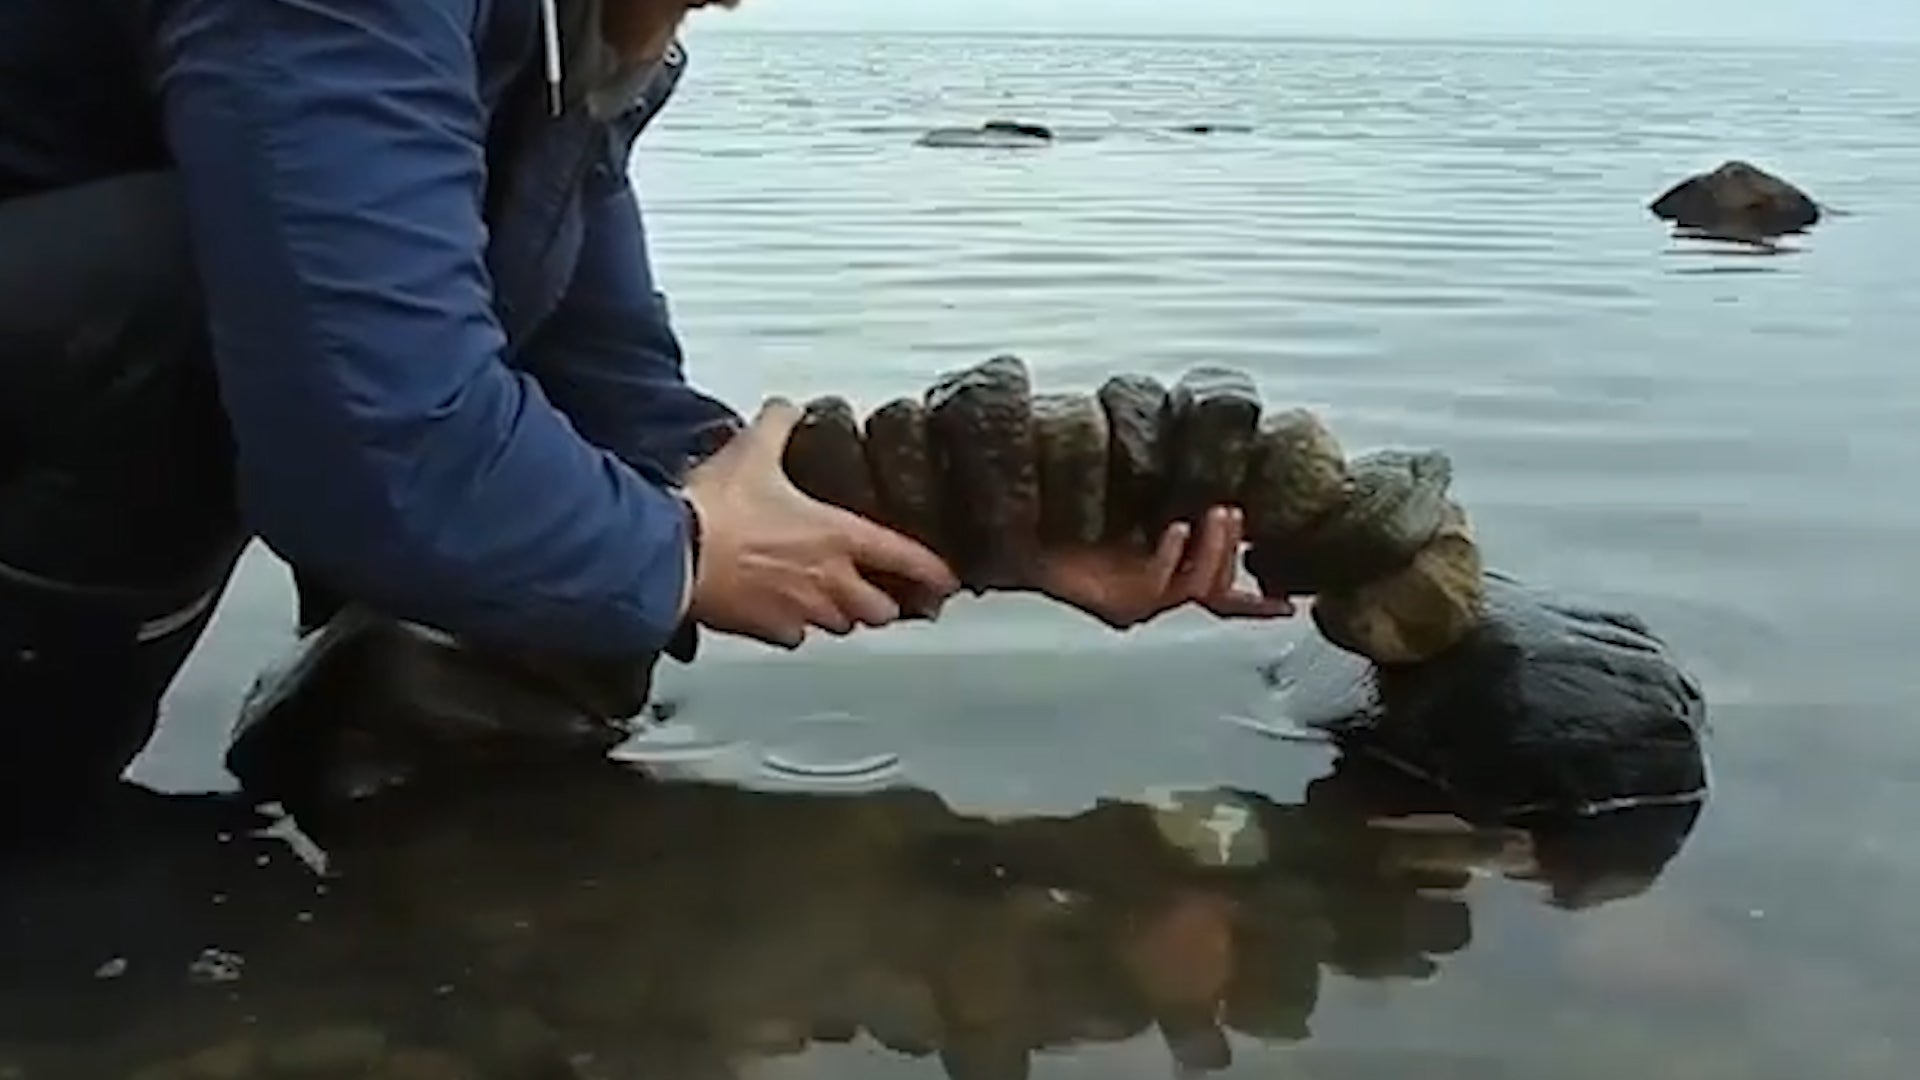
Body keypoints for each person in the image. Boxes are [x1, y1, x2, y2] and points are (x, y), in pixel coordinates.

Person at [0, 0, 1293, 818]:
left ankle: (330, 823)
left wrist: (1002, 539)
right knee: (186, 297)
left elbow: (626, 409)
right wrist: (673, 556)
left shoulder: (588, 43)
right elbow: (373, 447)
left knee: (570, 515)